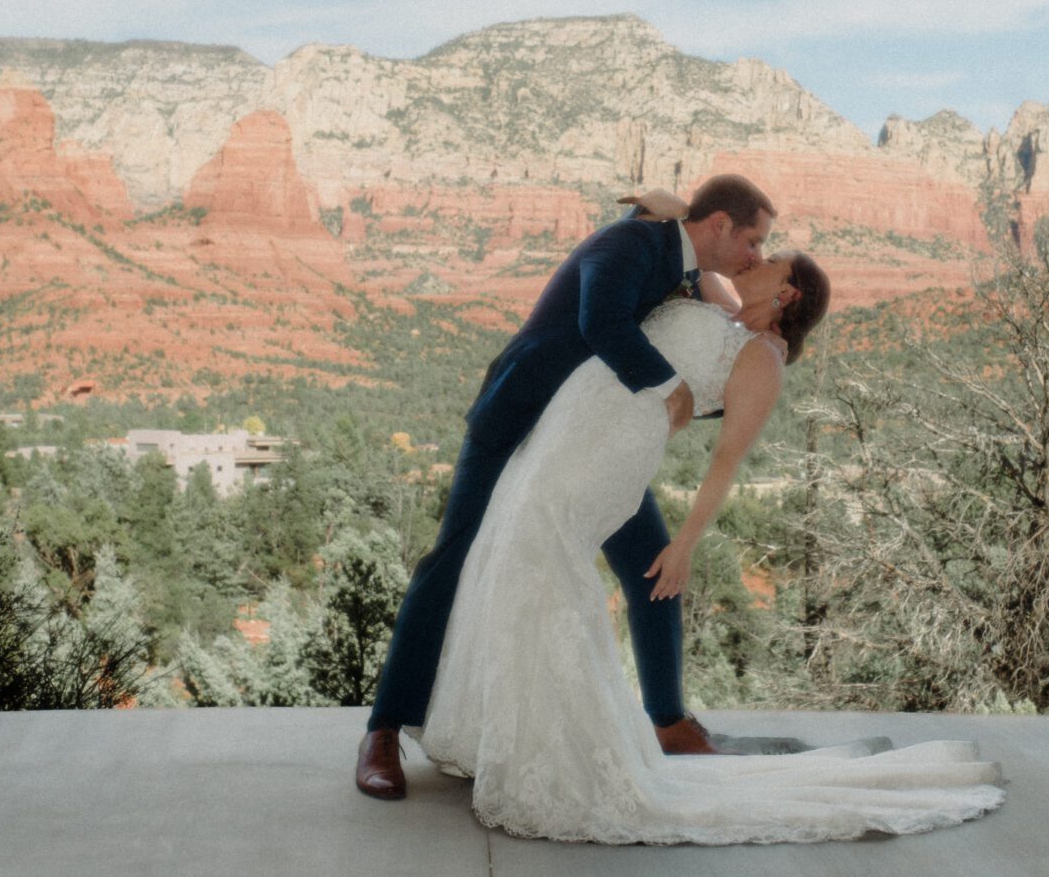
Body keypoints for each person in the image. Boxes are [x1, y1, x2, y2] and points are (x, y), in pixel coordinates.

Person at [412, 227, 1005, 843]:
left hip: (604, 456)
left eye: (773, 261)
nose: (759, 258)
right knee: (509, 553)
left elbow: (726, 461)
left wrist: (684, 546)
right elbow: (676, 248)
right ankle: (502, 734)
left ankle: (560, 754)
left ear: (788, 294)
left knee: (540, 564)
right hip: (568, 430)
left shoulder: (763, 359)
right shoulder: (721, 307)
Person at [356, 175, 779, 801]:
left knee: (654, 568)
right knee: (452, 560)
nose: (758, 256)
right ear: (719, 225)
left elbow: (724, 313)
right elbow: (600, 319)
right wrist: (671, 387)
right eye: (754, 241)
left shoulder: (681, 264)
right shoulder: (633, 242)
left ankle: (668, 721)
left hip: (586, 452)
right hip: (518, 424)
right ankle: (383, 731)